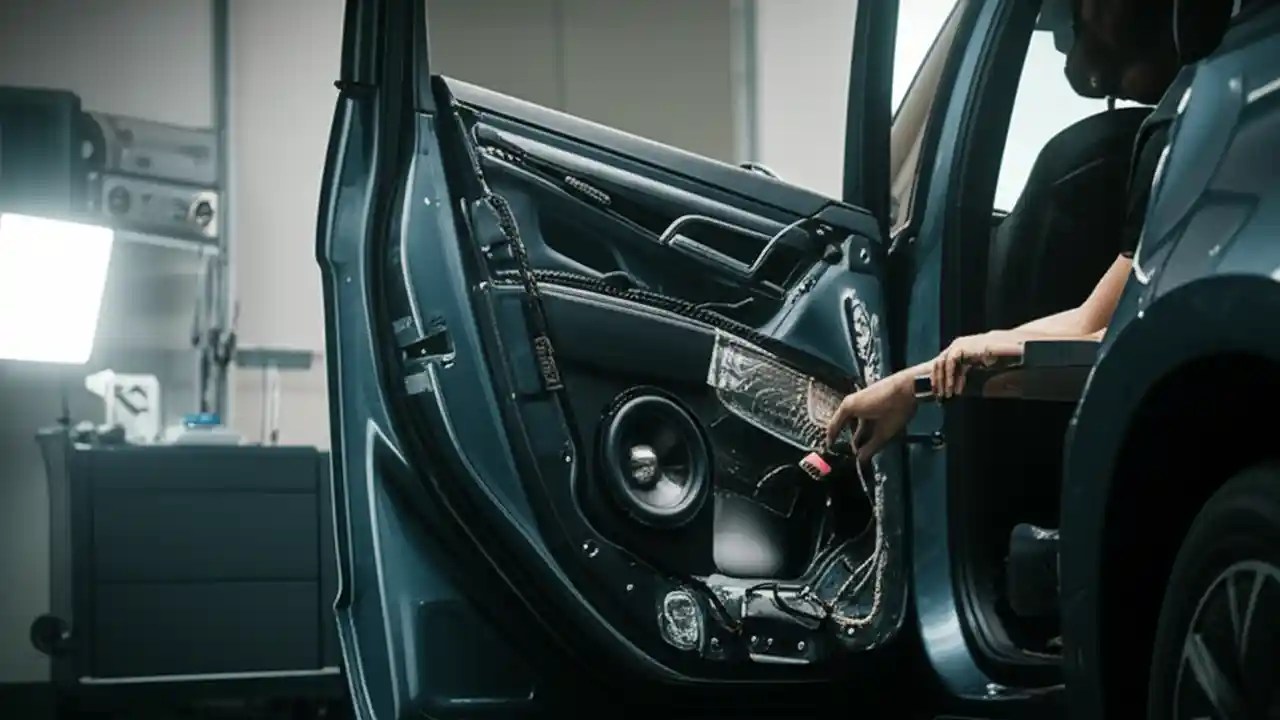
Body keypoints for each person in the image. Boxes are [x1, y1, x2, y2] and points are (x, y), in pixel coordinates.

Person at [824, 0, 1182, 463]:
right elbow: (1097, 323)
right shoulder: (1219, 105)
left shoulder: (1172, 133)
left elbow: (1099, 331)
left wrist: (933, 371)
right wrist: (921, 378)